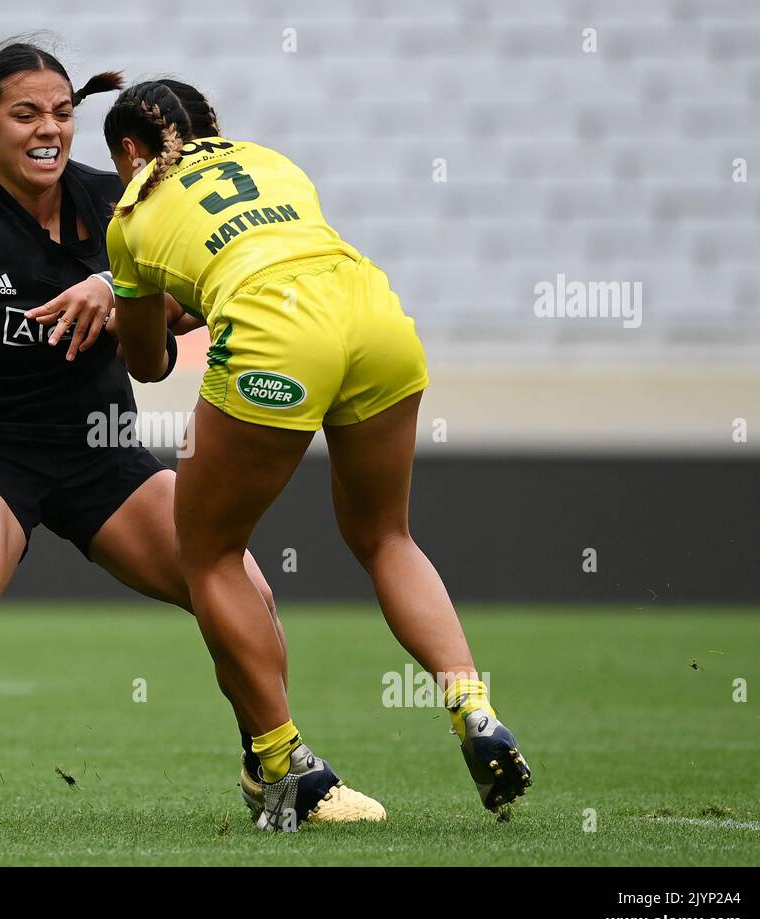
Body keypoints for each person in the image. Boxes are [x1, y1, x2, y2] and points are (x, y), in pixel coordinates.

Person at [0, 41, 378, 831]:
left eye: (63, 113)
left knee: (241, 582)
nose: (49, 130)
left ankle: (278, 772)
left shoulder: (127, 203)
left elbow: (203, 293)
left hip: (106, 455)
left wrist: (127, 297)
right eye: (26, 114)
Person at [103, 79, 533, 829]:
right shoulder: (272, 160)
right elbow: (255, 253)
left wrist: (141, 307)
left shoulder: (131, 209)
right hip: (374, 316)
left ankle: (279, 760)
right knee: (386, 535)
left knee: (207, 550)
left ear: (131, 150)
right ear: (212, 127)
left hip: (277, 335)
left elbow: (146, 363)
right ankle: (472, 703)